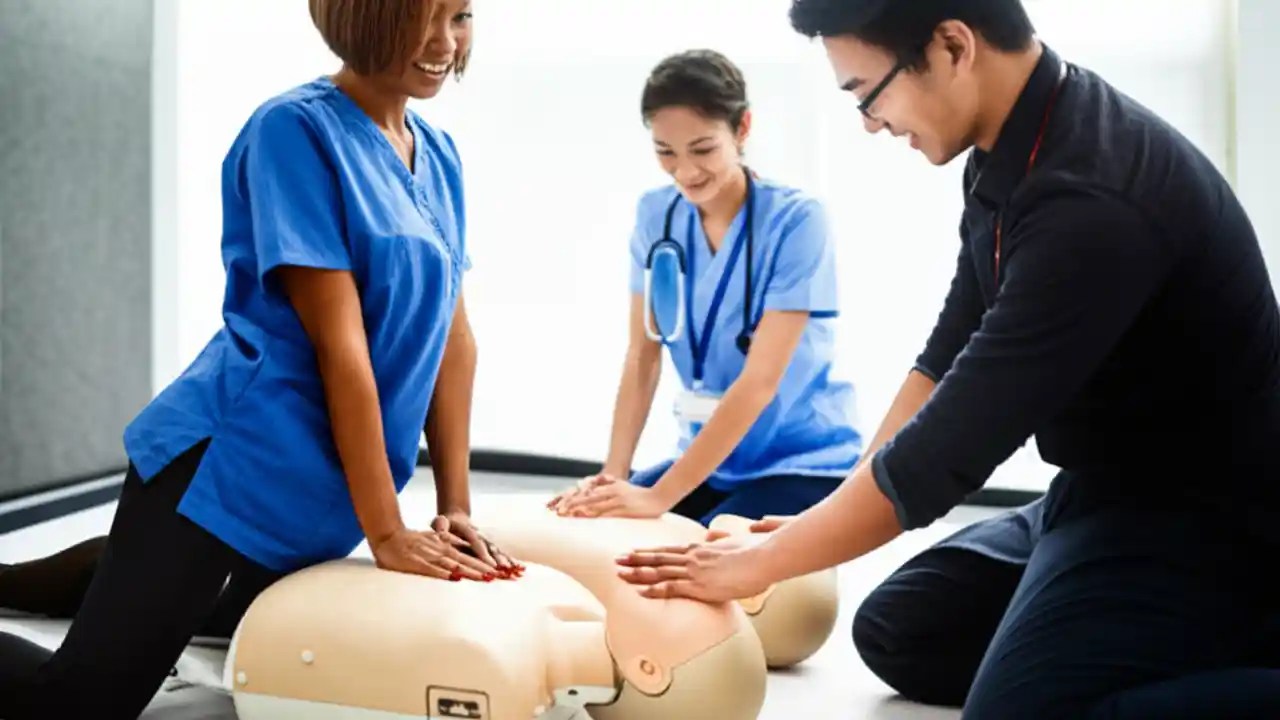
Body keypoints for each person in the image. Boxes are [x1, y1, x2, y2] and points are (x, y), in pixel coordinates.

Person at [615, 1, 1280, 718]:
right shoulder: (1013, 148)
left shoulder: (1092, 200)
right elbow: (947, 353)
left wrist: (763, 561)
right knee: (901, 630)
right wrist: (828, 516)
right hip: (1096, 490)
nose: (870, 123)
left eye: (868, 94)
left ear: (953, 47)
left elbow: (949, 450)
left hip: (1206, 518)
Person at [0, 1, 523, 717]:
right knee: (80, 704)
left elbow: (452, 339)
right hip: (230, 467)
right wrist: (387, 532)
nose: (443, 42)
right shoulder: (293, 131)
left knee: (218, 622)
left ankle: (111, 569)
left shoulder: (438, 155)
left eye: (459, 15)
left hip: (322, 491)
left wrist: (453, 508)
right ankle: (133, 564)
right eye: (421, 17)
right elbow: (340, 347)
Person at [550, 49, 863, 526]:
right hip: (710, 463)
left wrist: (658, 497)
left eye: (702, 149)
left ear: (742, 128)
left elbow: (759, 382)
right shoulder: (657, 216)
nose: (685, 171)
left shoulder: (797, 221)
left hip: (801, 463)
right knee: (595, 523)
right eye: (665, 152)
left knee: (704, 545)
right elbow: (643, 356)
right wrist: (613, 477)